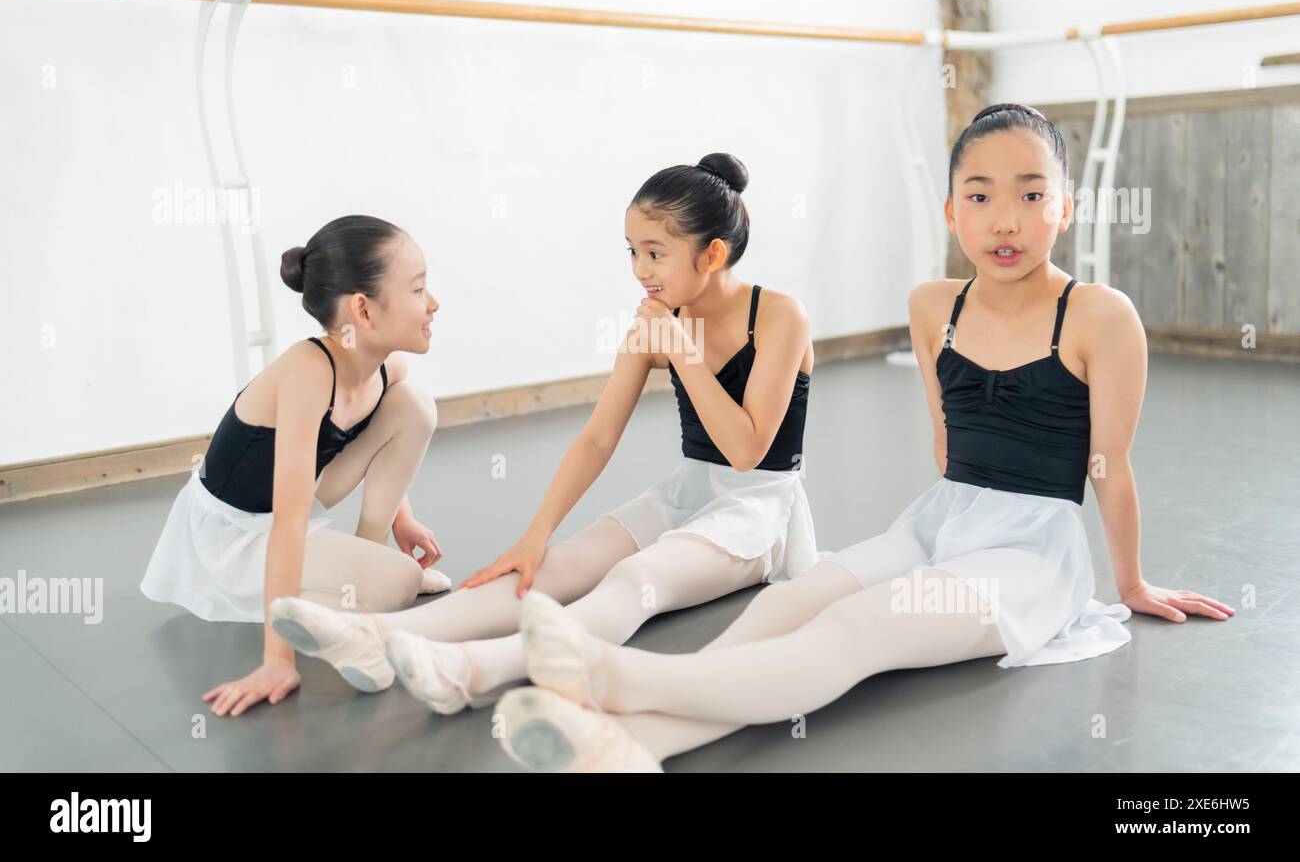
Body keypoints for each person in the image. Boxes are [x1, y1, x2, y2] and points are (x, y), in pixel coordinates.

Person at [490, 105, 1235, 772]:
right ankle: (639, 743)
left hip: (1033, 551)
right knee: (796, 600)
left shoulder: (1102, 316)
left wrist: (1130, 583)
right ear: (952, 212)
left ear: (1065, 208)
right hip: (942, 518)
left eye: (1032, 195)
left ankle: (616, 679)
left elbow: (1110, 466)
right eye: (980, 196)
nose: (1005, 220)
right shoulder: (931, 304)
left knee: (857, 628)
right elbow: (949, 449)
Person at [266, 153, 822, 714]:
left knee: (637, 579)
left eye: (655, 254)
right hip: (688, 491)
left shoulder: (779, 317)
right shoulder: (658, 317)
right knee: (552, 567)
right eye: (632, 251)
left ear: (713, 254)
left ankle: (474, 670)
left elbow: (747, 451)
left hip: (759, 512)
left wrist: (679, 345)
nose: (639, 270)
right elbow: (597, 439)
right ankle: (375, 638)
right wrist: (535, 537)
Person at [140, 214, 449, 717]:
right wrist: (276, 661)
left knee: (414, 404)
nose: (433, 303)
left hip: (297, 496)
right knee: (398, 585)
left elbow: (389, 438)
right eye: (418, 289)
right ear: (364, 311)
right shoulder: (308, 370)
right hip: (239, 533)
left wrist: (401, 517)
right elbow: (287, 524)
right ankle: (358, 590)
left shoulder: (389, 367)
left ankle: (364, 561)